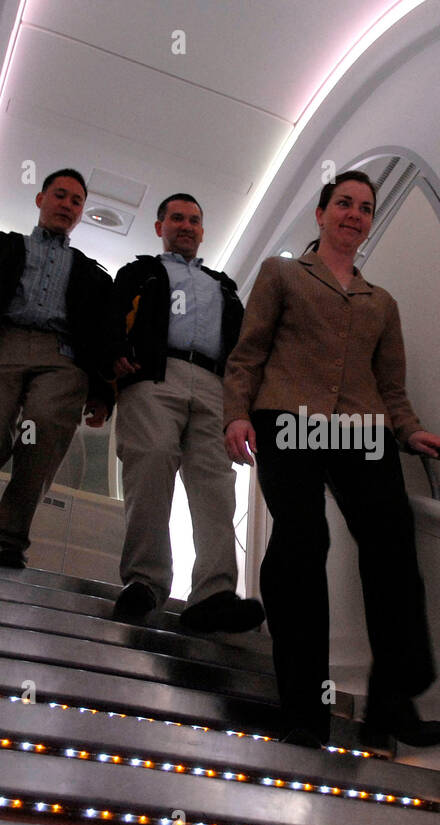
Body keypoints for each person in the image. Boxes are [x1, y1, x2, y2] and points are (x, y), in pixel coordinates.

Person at [222, 171, 440, 748]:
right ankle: (303, 710)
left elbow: (392, 388)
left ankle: (392, 705)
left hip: (363, 428)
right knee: (303, 543)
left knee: (394, 545)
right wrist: (235, 413)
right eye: (344, 204)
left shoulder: (382, 302)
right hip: (289, 419)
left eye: (365, 208)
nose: (354, 214)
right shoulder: (282, 274)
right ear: (322, 213)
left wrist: (410, 432)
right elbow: (248, 353)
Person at [0, 169, 114, 575]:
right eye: (60, 195)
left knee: (46, 431)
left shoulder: (92, 274)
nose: (67, 205)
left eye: (76, 201)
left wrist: (102, 392)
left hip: (62, 359)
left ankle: (10, 539)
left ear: (81, 213)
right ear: (40, 199)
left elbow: (104, 334)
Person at [108, 194, 264, 633]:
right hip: (155, 375)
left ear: (202, 230)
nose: (187, 226)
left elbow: (247, 348)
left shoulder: (224, 286)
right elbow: (110, 319)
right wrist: (114, 356)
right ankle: (144, 582)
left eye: (195, 220)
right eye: (177, 218)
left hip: (216, 386)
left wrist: (244, 406)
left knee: (216, 481)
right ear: (160, 226)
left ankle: (213, 594)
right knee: (151, 462)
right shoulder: (140, 273)